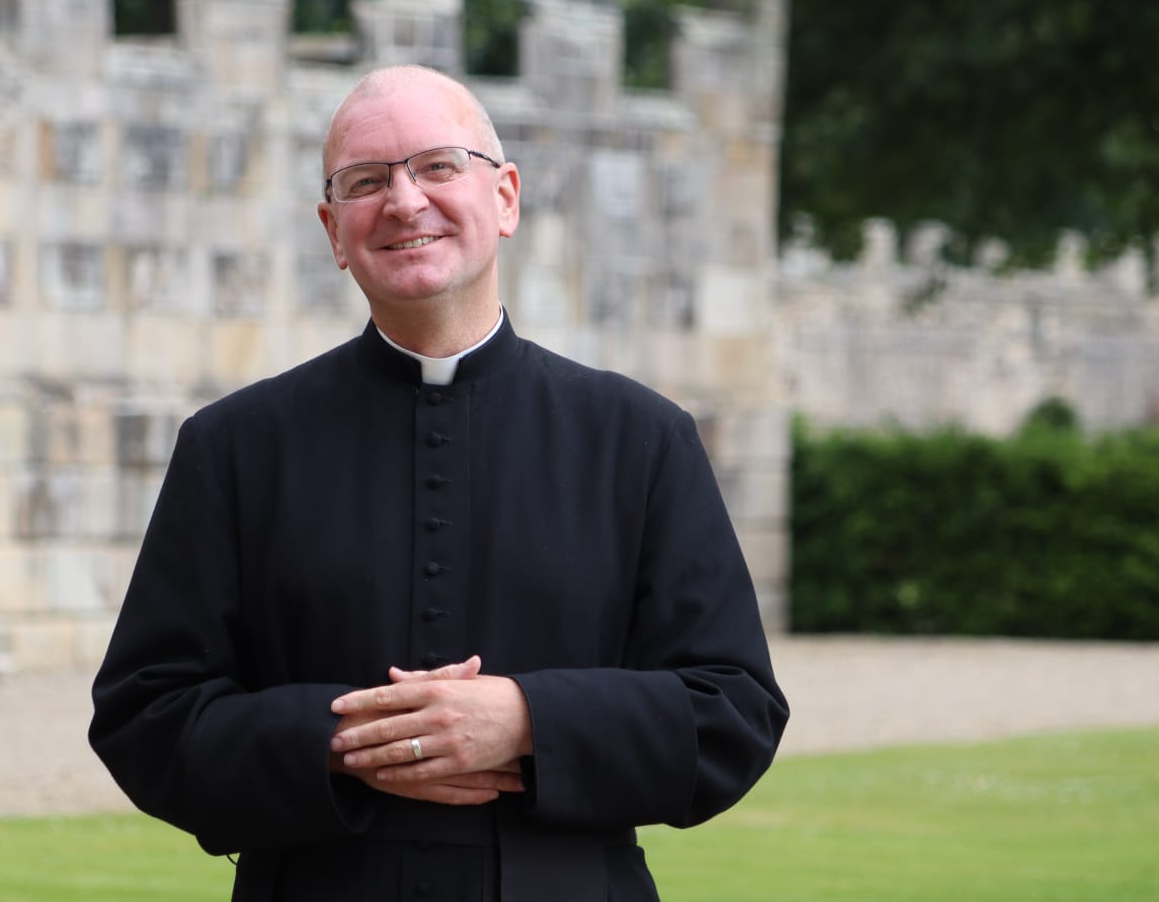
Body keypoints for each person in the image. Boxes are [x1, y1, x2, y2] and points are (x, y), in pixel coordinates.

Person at [89, 64, 788, 901]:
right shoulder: (234, 447)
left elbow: (733, 713)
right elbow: (144, 717)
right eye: (366, 181)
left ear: (506, 198)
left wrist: (528, 721)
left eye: (438, 166)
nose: (405, 201)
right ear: (333, 232)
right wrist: (350, 742)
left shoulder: (640, 439)